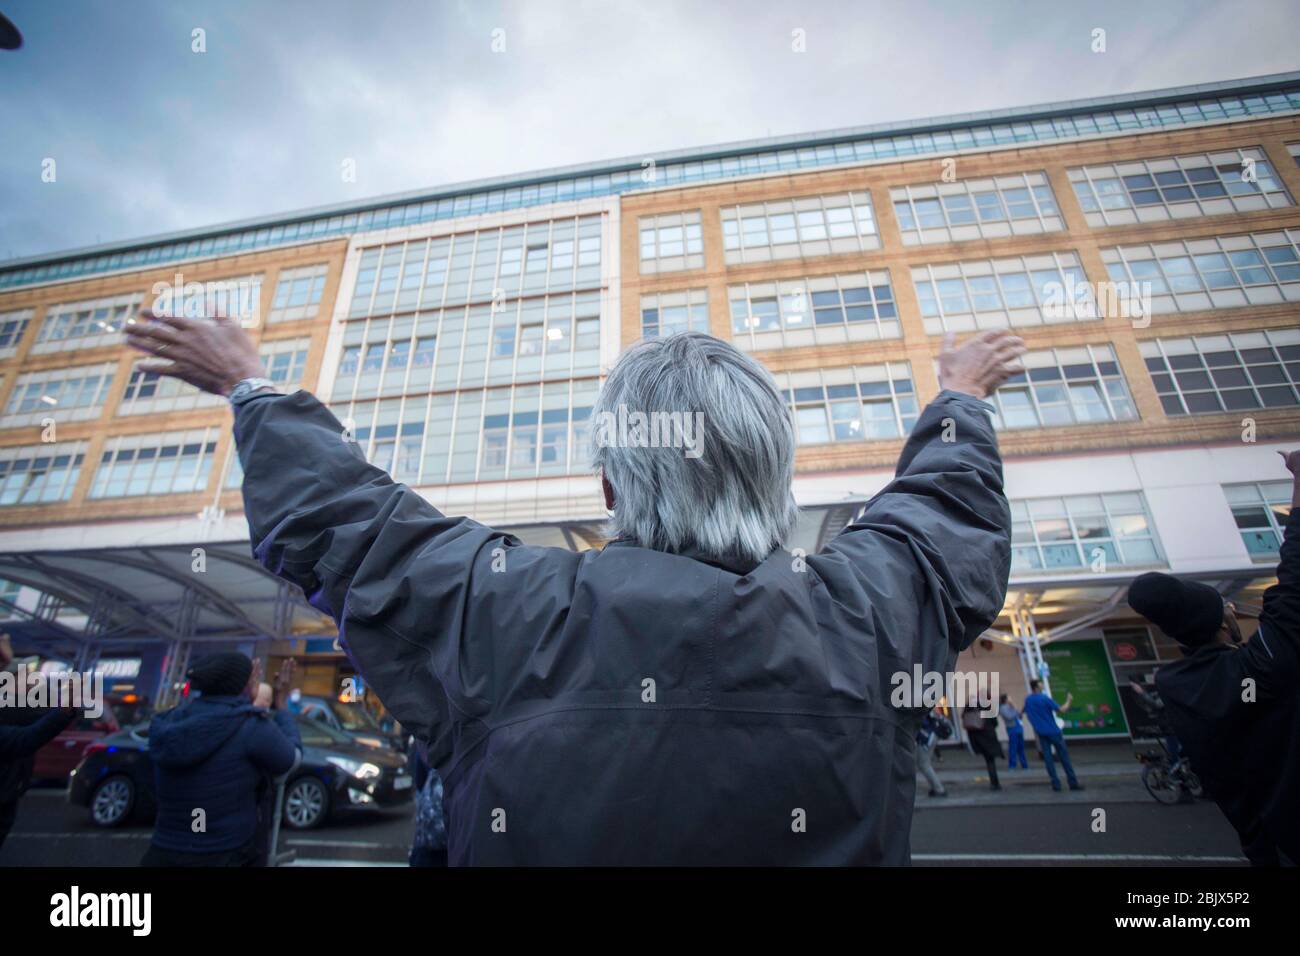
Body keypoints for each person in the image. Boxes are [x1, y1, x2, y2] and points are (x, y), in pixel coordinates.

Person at [126, 309, 1023, 865]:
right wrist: (960, 396)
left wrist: (250, 387)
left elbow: (343, 522)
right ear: (778, 489)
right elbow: (944, 516)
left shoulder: (504, 608)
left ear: (608, 490)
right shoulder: (869, 613)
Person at [1127, 450, 1300, 867]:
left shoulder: (1180, 688)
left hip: (1266, 849)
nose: (1232, 608)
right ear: (1222, 622)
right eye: (1225, 604)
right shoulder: (1259, 668)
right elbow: (1294, 578)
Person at [141, 652, 301, 866]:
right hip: (227, 852)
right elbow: (289, 759)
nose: (256, 681)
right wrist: (280, 705)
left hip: (164, 849)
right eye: (252, 678)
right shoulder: (250, 726)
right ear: (242, 685)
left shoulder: (170, 722)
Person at [0, 635, 77, 851]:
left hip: (8, 794)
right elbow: (28, 737)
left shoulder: (21, 708)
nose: (34, 679)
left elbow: (46, 712)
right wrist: (64, 710)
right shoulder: (10, 710)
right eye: (27, 676)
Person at [1022, 680, 1083, 792]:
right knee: (1064, 758)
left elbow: (1025, 713)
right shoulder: (1044, 698)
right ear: (1036, 687)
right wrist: (1069, 700)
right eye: (1041, 684)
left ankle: (1056, 784)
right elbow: (1062, 709)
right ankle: (1072, 782)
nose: (1042, 685)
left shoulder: (1028, 700)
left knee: (1048, 759)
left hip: (1041, 732)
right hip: (1053, 731)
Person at [962, 700, 1002, 791]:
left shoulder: (968, 709)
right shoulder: (987, 707)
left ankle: (994, 782)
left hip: (977, 739)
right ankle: (995, 783)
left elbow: (965, 722)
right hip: (988, 737)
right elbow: (995, 723)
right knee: (990, 760)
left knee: (988, 760)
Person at [915, 709, 948, 797]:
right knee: (924, 764)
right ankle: (937, 788)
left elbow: (922, 723)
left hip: (925, 739)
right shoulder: (924, 706)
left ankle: (939, 789)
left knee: (924, 765)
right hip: (929, 737)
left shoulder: (919, 708)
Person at [999, 693, 1027, 769]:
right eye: (1009, 698)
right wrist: (1015, 709)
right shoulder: (1002, 708)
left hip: (1018, 727)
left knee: (1021, 747)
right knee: (1013, 747)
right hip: (1012, 728)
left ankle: (1024, 764)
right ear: (1005, 700)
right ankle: (1012, 765)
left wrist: (1018, 710)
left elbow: (1019, 716)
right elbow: (1009, 716)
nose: (1011, 699)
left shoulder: (1011, 706)